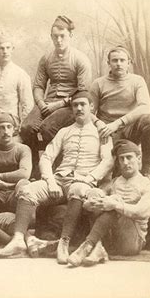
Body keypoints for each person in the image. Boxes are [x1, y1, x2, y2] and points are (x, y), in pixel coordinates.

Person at [0, 90, 114, 262]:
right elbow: (47, 157)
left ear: (92, 107)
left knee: (78, 188)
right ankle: (18, 239)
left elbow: (108, 162)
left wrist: (89, 179)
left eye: (83, 105)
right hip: (59, 180)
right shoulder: (64, 131)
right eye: (75, 105)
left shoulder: (101, 132)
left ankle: (63, 243)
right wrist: (50, 181)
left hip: (84, 181)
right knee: (28, 190)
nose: (79, 108)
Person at [20, 16, 92, 180]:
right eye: (55, 36)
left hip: (70, 106)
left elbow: (82, 92)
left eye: (62, 36)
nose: (59, 40)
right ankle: (34, 169)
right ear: (51, 36)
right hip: (47, 102)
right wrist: (40, 102)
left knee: (47, 128)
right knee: (27, 127)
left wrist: (58, 104)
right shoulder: (46, 59)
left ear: (70, 36)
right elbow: (38, 86)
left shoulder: (80, 59)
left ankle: (57, 168)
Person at [67, 140, 150, 267]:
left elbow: (141, 212)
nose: (125, 162)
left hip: (132, 241)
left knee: (114, 200)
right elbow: (88, 204)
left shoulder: (148, 186)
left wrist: (115, 204)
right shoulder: (114, 182)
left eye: (129, 157)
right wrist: (90, 204)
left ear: (138, 158)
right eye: (121, 159)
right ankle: (97, 247)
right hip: (111, 238)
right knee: (95, 192)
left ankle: (88, 246)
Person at [90, 45, 150, 177]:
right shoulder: (98, 83)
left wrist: (118, 123)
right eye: (115, 60)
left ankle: (146, 171)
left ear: (129, 62)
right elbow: (89, 111)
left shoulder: (137, 81)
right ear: (108, 63)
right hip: (107, 132)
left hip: (130, 129)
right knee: (115, 172)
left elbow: (145, 107)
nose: (118, 64)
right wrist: (98, 123)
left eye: (122, 60)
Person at [0, 33, 34, 141]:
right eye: (1, 48)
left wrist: (20, 129)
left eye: (8, 48)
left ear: (12, 49)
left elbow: (27, 105)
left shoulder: (20, 74)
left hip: (11, 126)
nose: (5, 51)